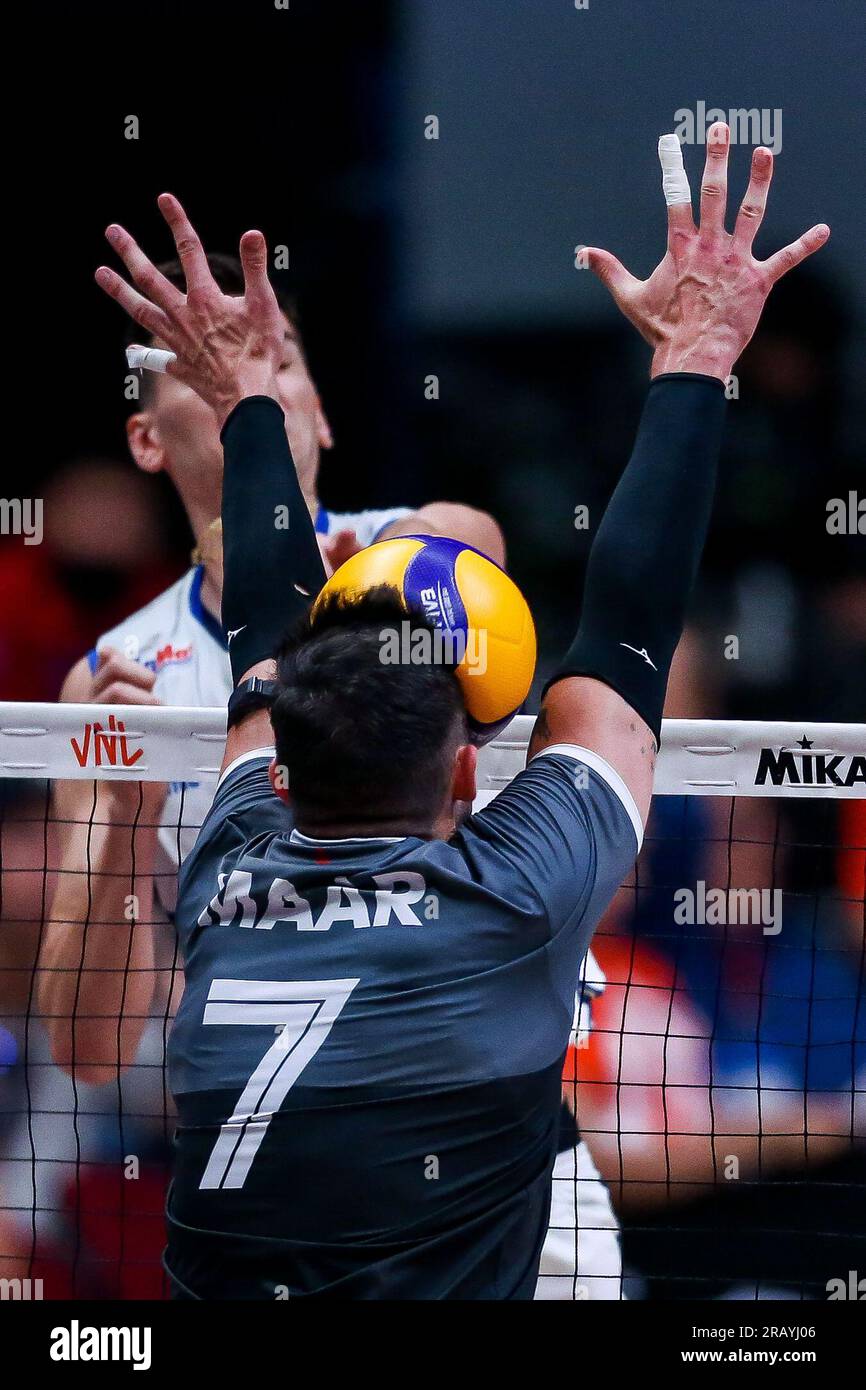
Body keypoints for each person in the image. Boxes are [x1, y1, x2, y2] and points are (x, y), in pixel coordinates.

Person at [79, 122, 826, 1298]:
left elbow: (271, 627)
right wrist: (696, 354)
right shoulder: (511, 898)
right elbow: (625, 614)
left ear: (274, 774)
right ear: (472, 777)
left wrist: (241, 399)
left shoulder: (224, 865)